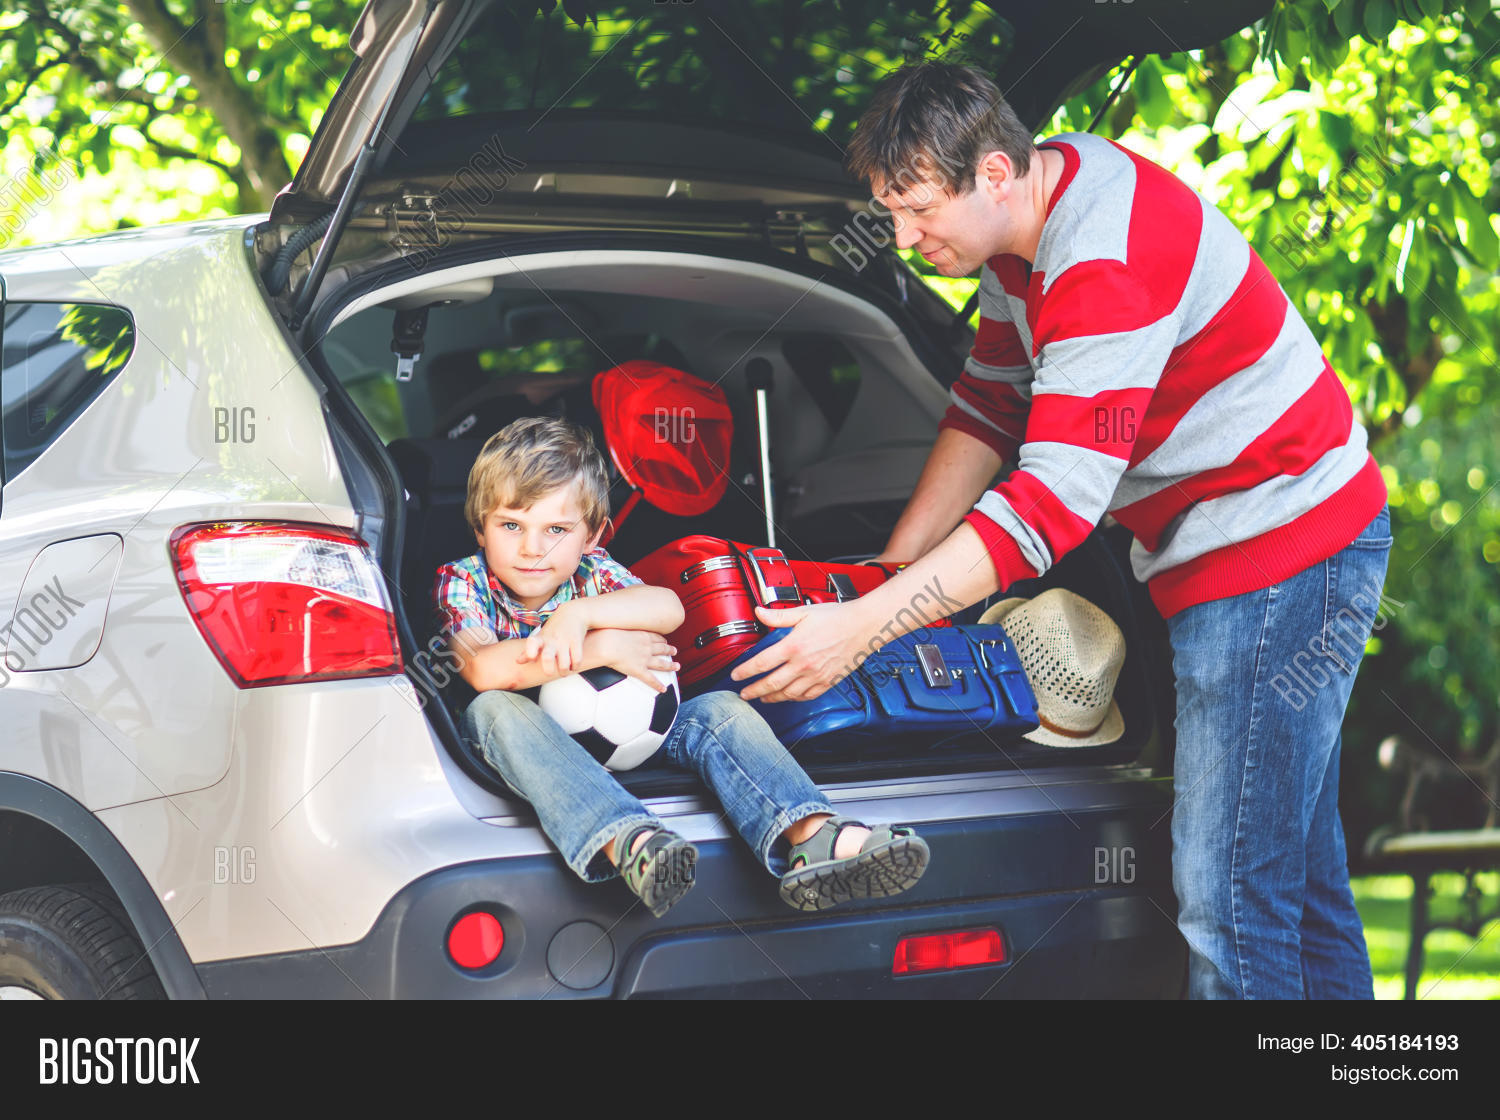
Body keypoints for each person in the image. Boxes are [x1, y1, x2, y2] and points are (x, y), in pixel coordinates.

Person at [731, 62, 1392, 998]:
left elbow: (1051, 505)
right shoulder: (1031, 223)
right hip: (1246, 555)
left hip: (1286, 558)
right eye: (890, 212)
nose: (903, 237)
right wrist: (892, 568)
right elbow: (990, 405)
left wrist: (865, 629)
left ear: (995, 173)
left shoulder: (1101, 263)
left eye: (917, 209)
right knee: (1301, 885)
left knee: (1226, 897)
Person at [433, 415, 930, 917]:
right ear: (480, 527)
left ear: (591, 537)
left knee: (717, 708)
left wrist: (578, 613)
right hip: (528, 746)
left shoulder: (594, 572)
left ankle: (812, 835)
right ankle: (630, 842)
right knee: (494, 707)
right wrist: (599, 649)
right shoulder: (464, 580)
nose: (531, 548)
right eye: (511, 525)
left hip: (631, 733)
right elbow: (483, 670)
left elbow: (668, 607)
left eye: (556, 529)